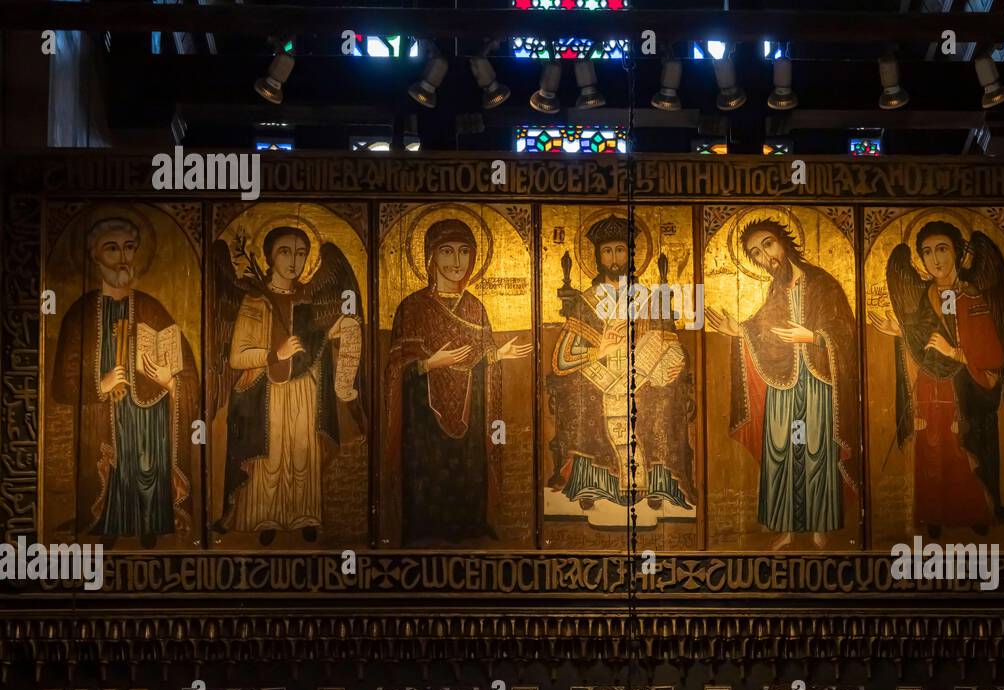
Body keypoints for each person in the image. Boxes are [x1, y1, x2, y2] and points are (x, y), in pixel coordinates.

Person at [705, 218, 859, 549]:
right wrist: (739, 331)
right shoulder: (776, 290)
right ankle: (786, 527)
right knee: (783, 451)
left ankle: (820, 524)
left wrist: (814, 337)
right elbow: (763, 330)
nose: (766, 256)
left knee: (817, 450)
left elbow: (846, 331)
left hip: (818, 382)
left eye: (768, 244)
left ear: (784, 242)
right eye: (756, 253)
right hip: (783, 385)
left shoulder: (823, 283)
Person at [51, 217, 198, 548]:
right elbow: (62, 383)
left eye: (129, 248)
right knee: (112, 472)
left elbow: (186, 369)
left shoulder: (151, 308)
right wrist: (98, 385)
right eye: (112, 248)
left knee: (148, 468)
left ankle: (152, 524)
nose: (123, 258)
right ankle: (107, 524)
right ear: (95, 256)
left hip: (151, 420)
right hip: (103, 419)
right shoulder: (80, 313)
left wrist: (170, 381)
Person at [385, 218, 530, 546]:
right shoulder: (412, 307)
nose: (456, 260)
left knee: (468, 468)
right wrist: (429, 364)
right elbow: (394, 369)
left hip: (471, 413)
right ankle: (424, 530)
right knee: (428, 470)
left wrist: (498, 355)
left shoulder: (475, 308)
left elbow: (477, 358)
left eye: (464, 251)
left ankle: (470, 525)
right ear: (431, 256)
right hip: (422, 417)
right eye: (447, 251)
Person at [216, 226, 363, 545]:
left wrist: (339, 329)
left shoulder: (309, 300)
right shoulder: (255, 302)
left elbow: (316, 340)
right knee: (269, 459)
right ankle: (265, 517)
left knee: (302, 456)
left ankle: (304, 515)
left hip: (306, 392)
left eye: (301, 253)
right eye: (285, 252)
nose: (294, 261)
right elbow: (237, 358)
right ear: (270, 257)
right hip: (264, 393)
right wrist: (275, 354)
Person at [870, 221, 1004, 538]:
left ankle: (974, 511)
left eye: (942, 249)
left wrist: (956, 353)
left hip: (965, 387)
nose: (935, 259)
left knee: (960, 450)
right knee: (930, 449)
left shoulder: (972, 296)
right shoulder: (926, 297)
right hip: (929, 385)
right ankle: (933, 514)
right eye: (927, 252)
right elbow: (921, 337)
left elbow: (993, 354)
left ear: (958, 253)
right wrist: (899, 331)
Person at [545, 215, 696, 517]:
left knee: (664, 398)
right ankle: (590, 483)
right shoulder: (586, 302)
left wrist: (674, 365)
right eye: (607, 251)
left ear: (631, 254)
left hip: (643, 376)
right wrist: (600, 350)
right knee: (582, 397)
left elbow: (671, 343)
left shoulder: (648, 298)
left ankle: (658, 483)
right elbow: (561, 359)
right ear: (597, 256)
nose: (614, 258)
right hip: (598, 377)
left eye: (620, 250)